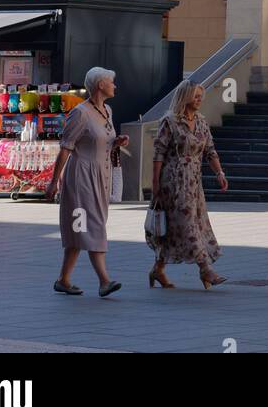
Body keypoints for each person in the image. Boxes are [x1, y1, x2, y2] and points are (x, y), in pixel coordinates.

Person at [46, 67, 127, 298]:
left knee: (80, 228)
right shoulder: (80, 113)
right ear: (100, 85)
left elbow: (102, 140)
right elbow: (66, 148)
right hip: (81, 177)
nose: (115, 86)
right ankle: (104, 281)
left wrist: (117, 141)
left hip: (100, 175)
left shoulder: (107, 110)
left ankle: (63, 280)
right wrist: (54, 182)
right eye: (111, 82)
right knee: (93, 225)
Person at [147, 80, 228, 289]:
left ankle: (158, 270)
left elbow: (210, 150)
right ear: (185, 97)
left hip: (194, 183)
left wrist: (219, 172)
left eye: (201, 96)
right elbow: (158, 154)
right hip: (173, 183)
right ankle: (205, 268)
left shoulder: (201, 122)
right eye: (195, 96)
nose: (199, 100)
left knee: (181, 227)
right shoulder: (170, 122)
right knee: (188, 224)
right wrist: (155, 185)